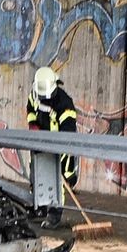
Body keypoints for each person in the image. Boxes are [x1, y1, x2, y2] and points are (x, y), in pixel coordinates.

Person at [26, 67, 78, 229]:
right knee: (37, 174)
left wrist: (56, 147)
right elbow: (30, 110)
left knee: (59, 179)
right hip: (40, 141)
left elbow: (68, 131)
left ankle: (55, 214)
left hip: (59, 145)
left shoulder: (65, 104)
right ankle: (39, 208)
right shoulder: (34, 95)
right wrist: (33, 125)